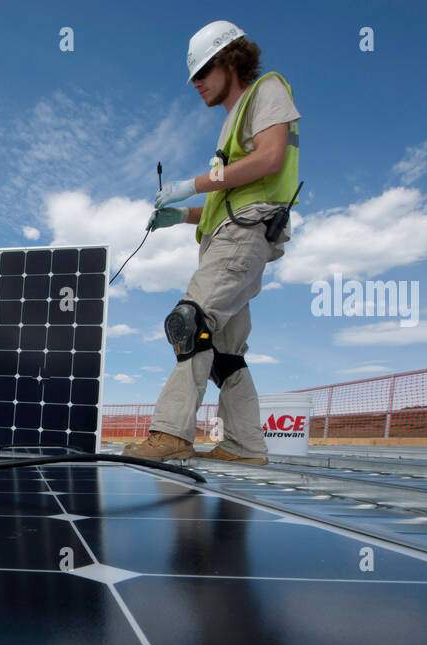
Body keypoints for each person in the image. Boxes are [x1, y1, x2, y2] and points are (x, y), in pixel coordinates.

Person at [124, 20, 300, 466]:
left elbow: (270, 158)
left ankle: (171, 433)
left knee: (190, 321)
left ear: (231, 60)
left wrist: (194, 184)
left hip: (243, 238)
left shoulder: (266, 91)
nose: (196, 83)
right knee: (224, 352)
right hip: (231, 234)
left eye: (203, 70)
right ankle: (245, 445)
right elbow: (229, 199)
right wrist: (182, 214)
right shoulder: (229, 125)